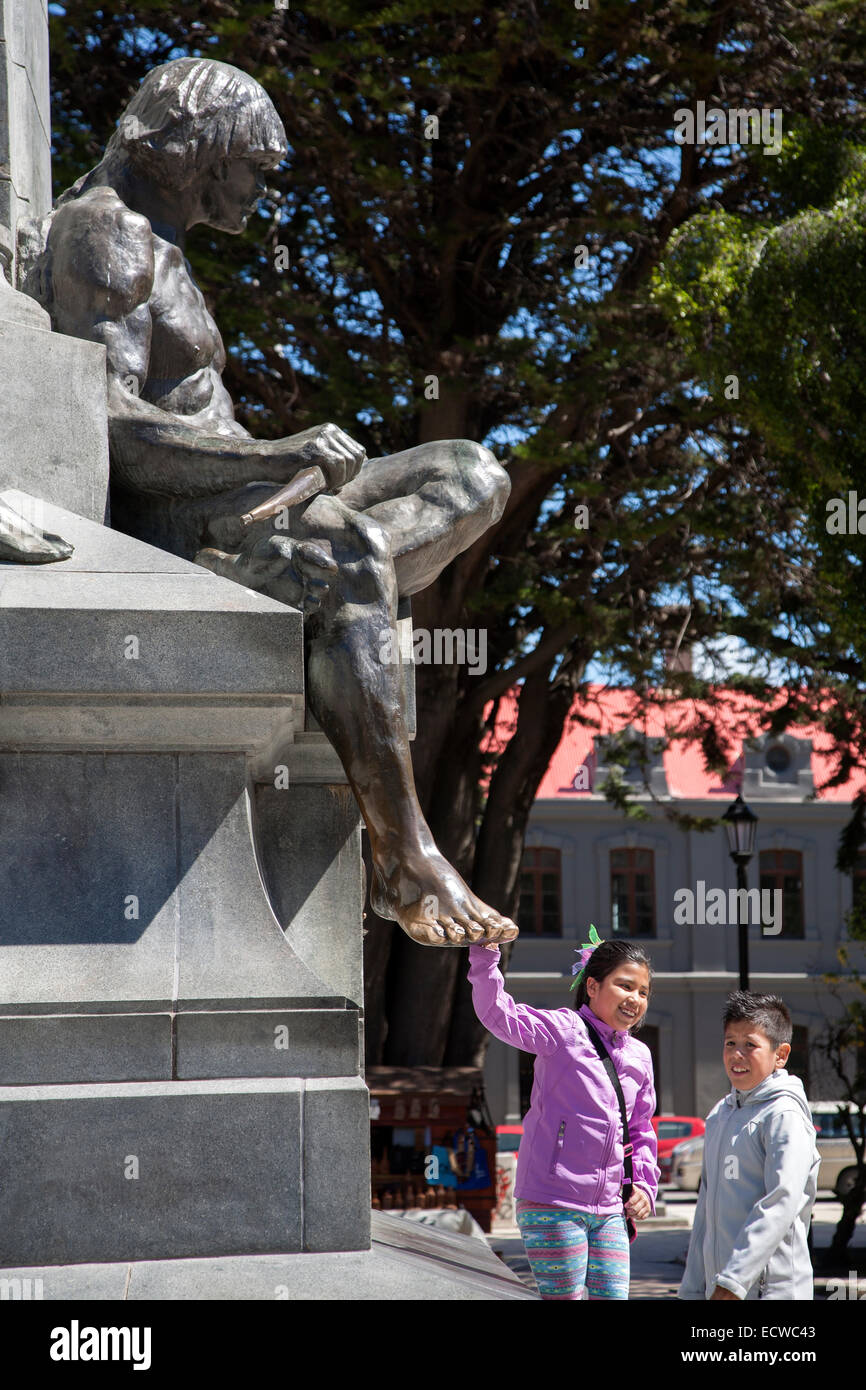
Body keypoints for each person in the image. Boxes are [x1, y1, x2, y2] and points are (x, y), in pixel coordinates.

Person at [21, 57, 518, 951]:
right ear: (202, 151)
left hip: (247, 488)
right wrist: (278, 451)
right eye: (256, 166)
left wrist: (281, 470)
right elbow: (109, 427)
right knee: (352, 554)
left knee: (473, 474)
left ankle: (335, 609)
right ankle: (404, 854)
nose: (262, 191)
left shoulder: (162, 241)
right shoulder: (106, 231)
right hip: (178, 514)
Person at [468, 934, 659, 1300]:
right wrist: (485, 956)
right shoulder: (563, 1031)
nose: (635, 999)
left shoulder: (640, 1055)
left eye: (644, 992)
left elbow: (641, 1129)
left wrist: (646, 1187)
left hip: (611, 1209)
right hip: (551, 1201)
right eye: (625, 986)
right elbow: (498, 1013)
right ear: (592, 985)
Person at [678, 990, 820, 1301]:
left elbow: (781, 1201)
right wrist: (691, 1289)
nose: (736, 1054)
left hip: (774, 1289)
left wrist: (734, 1280)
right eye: (730, 1043)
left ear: (780, 1055)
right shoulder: (720, 1115)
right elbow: (705, 1211)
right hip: (720, 1289)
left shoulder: (785, 1115)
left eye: (750, 1045)